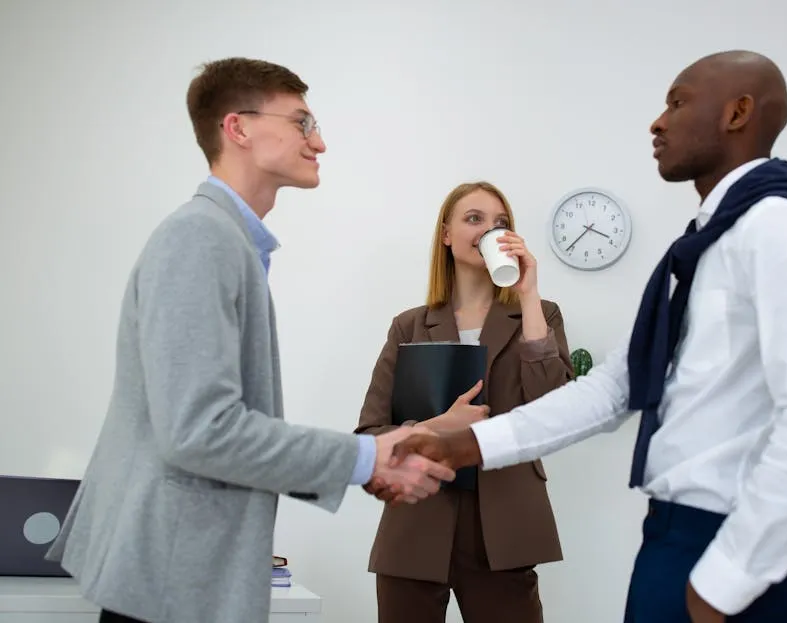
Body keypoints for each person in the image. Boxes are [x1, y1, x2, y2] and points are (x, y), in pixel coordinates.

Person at [385, 51, 787, 623]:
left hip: (729, 543)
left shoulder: (779, 228)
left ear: (737, 114)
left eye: (678, 102)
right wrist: (465, 444)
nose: (657, 121)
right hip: (675, 534)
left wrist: (727, 578)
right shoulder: (707, 242)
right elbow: (615, 388)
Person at [44, 57, 473, 623]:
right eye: (301, 122)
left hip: (187, 575)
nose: (319, 142)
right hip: (171, 579)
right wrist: (366, 457)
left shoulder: (229, 243)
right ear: (238, 127)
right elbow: (200, 430)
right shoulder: (199, 238)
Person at [355, 181, 574, 623]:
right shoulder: (409, 326)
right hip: (416, 522)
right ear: (447, 235)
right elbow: (370, 433)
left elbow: (555, 410)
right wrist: (438, 427)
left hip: (505, 523)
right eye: (474, 219)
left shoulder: (541, 314)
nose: (488, 231)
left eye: (501, 223)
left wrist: (528, 293)